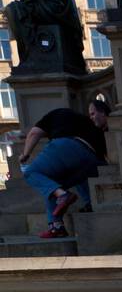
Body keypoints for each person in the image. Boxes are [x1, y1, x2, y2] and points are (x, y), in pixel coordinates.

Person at [19, 100, 112, 238]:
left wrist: (25, 154)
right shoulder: (88, 123)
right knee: (53, 186)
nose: (91, 115)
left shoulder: (56, 115)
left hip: (68, 146)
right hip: (92, 160)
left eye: (93, 113)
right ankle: (57, 226)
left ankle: (63, 197)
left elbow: (34, 133)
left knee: (31, 173)